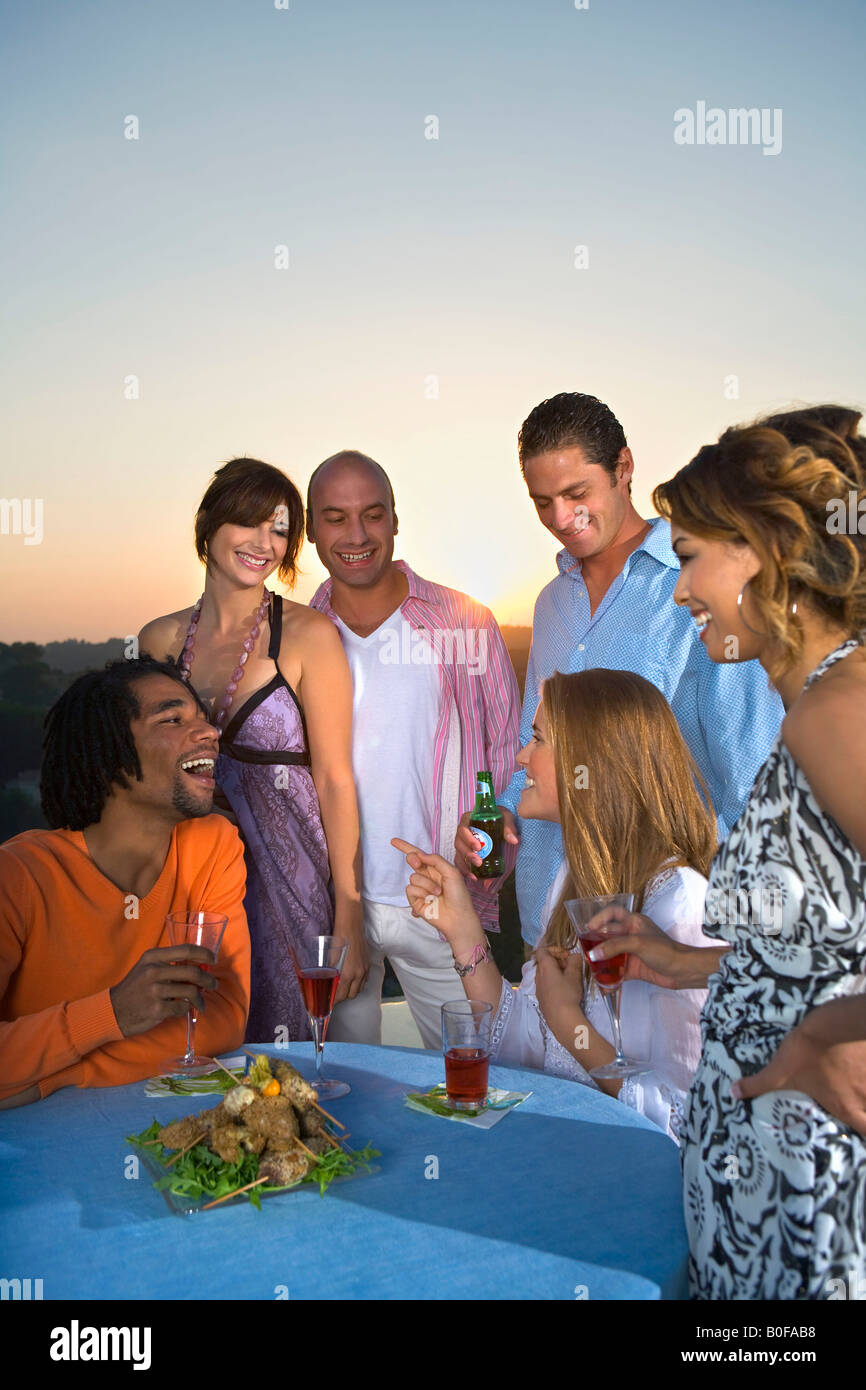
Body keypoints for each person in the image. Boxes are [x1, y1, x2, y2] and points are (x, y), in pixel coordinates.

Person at [589, 408, 866, 1298]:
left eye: (692, 556)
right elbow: (825, 949)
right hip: (755, 1182)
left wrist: (829, 1036)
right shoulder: (818, 705)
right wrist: (682, 960)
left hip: (805, 1192)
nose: (679, 591)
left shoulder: (838, 712)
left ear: (759, 551)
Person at [456, 393, 784, 946]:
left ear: (623, 469)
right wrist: (500, 815)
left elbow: (751, 778)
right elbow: (530, 741)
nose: (561, 519)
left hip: (654, 931)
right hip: (547, 920)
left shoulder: (699, 584)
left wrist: (713, 924)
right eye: (542, 502)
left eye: (576, 493)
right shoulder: (550, 604)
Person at [394, 668, 717, 1139]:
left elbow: (683, 1122)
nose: (522, 757)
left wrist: (569, 1021)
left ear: (592, 762)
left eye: (539, 739)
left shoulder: (680, 907)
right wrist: (463, 930)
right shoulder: (570, 880)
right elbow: (526, 1047)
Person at [140, 458, 364, 1045]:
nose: (264, 543)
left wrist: (350, 911)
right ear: (209, 525)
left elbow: (337, 779)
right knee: (193, 1044)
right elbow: (138, 773)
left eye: (281, 529)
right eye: (249, 523)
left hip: (290, 879)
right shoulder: (158, 640)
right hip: (190, 879)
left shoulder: (310, 635)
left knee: (289, 1054)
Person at [306, 449, 520, 1047]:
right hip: (336, 906)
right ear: (311, 531)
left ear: (396, 521)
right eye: (336, 517)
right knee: (343, 1090)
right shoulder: (296, 633)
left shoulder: (464, 619)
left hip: (441, 898)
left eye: (373, 515)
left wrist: (496, 825)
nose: (357, 534)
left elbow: (508, 753)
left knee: (476, 1080)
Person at [0, 658, 250, 1109]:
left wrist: (63, 1074)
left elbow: (225, 1020)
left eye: (203, 719)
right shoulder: (18, 876)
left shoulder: (213, 846)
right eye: (172, 719)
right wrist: (113, 1013)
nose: (210, 732)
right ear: (108, 756)